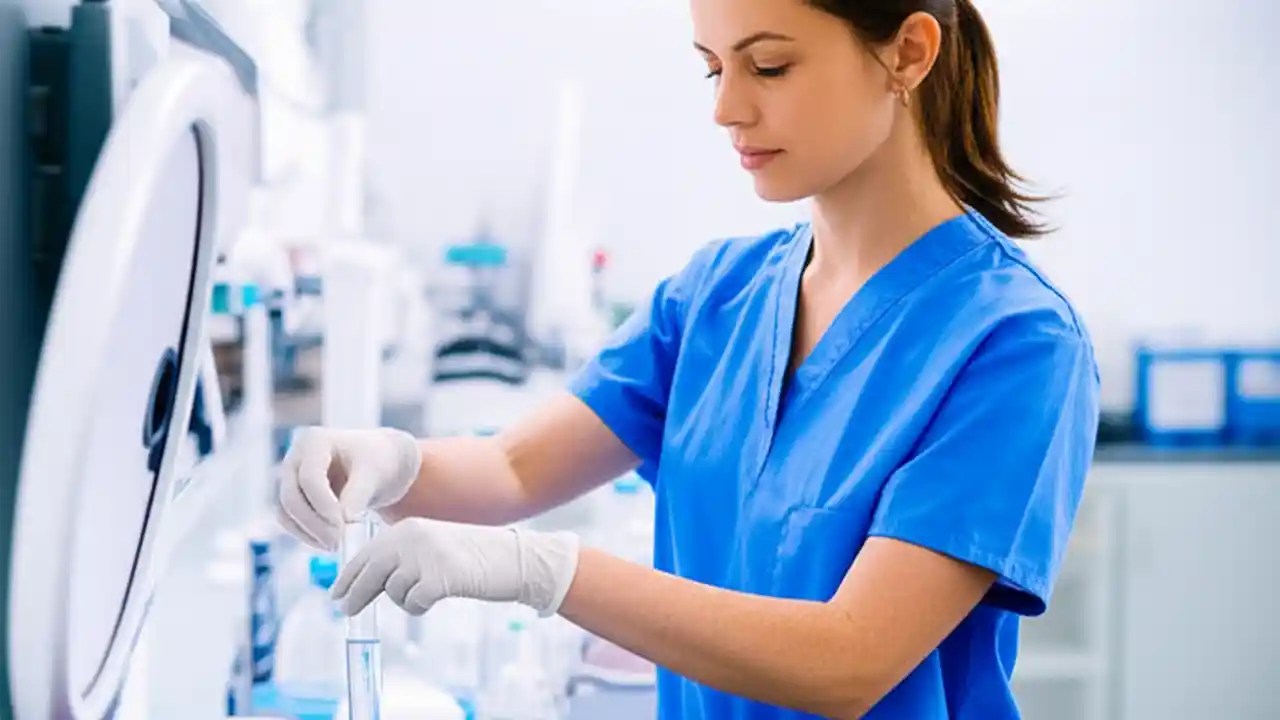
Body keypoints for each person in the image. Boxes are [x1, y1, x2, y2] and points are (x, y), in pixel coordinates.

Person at [275, 0, 1100, 717]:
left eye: (769, 66)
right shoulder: (716, 297)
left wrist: (546, 573)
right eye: (714, 70)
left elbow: (850, 660)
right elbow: (515, 469)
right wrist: (383, 459)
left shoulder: (1016, 344)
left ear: (908, 53)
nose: (728, 109)